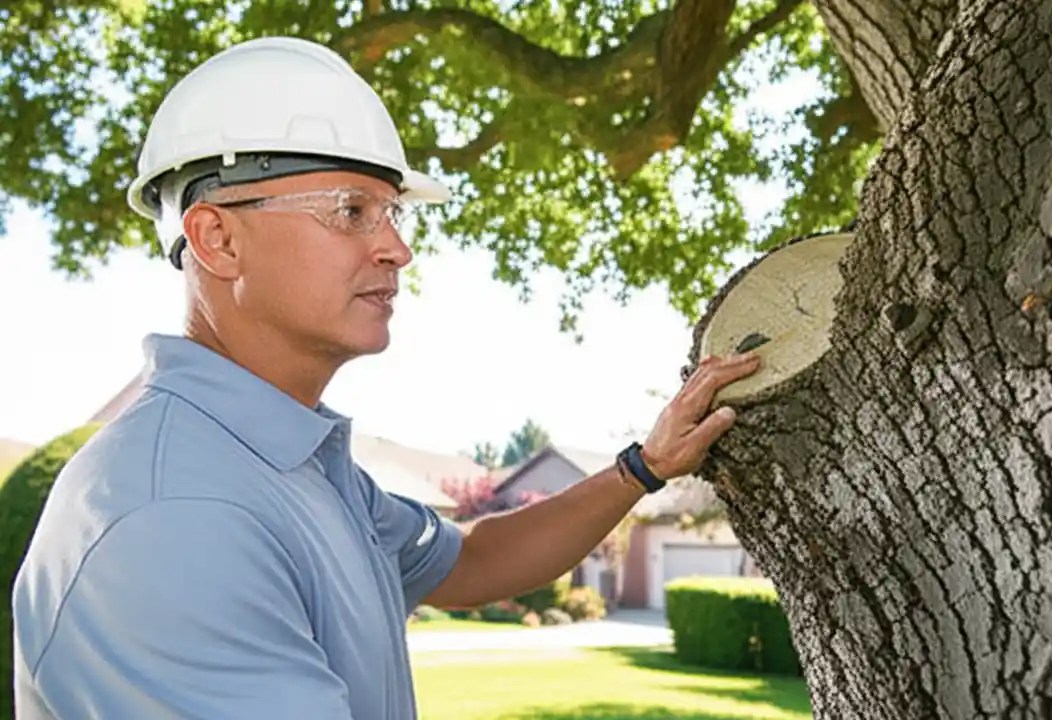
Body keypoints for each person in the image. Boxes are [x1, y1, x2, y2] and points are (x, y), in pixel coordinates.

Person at [10, 36, 760, 719]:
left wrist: (643, 468)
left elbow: (471, 560)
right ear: (217, 238)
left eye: (394, 212)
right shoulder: (172, 514)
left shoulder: (297, 467)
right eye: (351, 211)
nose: (398, 248)